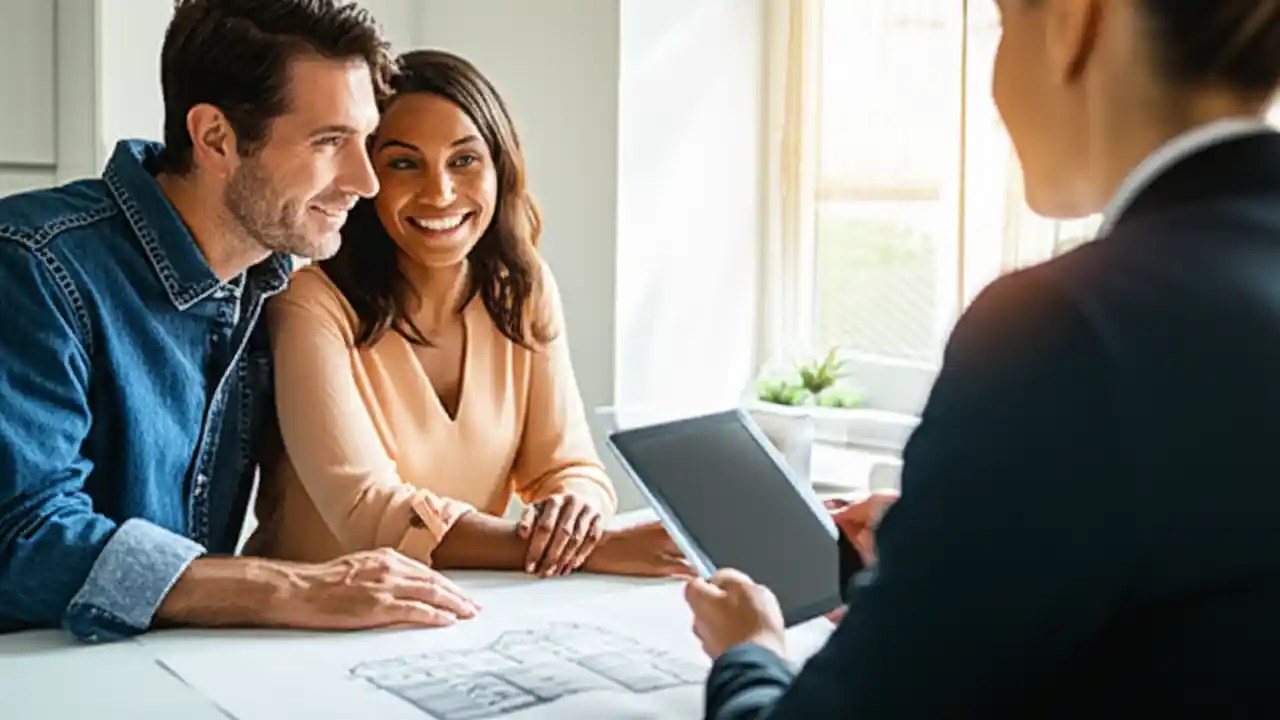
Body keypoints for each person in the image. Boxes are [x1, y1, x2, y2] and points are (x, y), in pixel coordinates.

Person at [686, 0, 1280, 716]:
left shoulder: (1064, 327)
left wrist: (750, 654)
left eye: (1001, 26)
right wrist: (961, 542)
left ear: (1072, 21)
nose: (994, 90)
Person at [0, 0, 481, 643]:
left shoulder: (276, 279)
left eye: (364, 141)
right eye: (329, 142)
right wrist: (294, 588)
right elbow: (25, 538)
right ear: (215, 139)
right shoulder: (32, 266)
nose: (364, 181)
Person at [245, 50, 690, 580]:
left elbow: (567, 467)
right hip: (293, 637)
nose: (440, 192)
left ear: (499, 167)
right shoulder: (309, 306)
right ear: (367, 176)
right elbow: (368, 510)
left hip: (450, 618)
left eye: (464, 160)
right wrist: (597, 550)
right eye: (404, 163)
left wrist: (577, 513)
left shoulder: (521, 292)